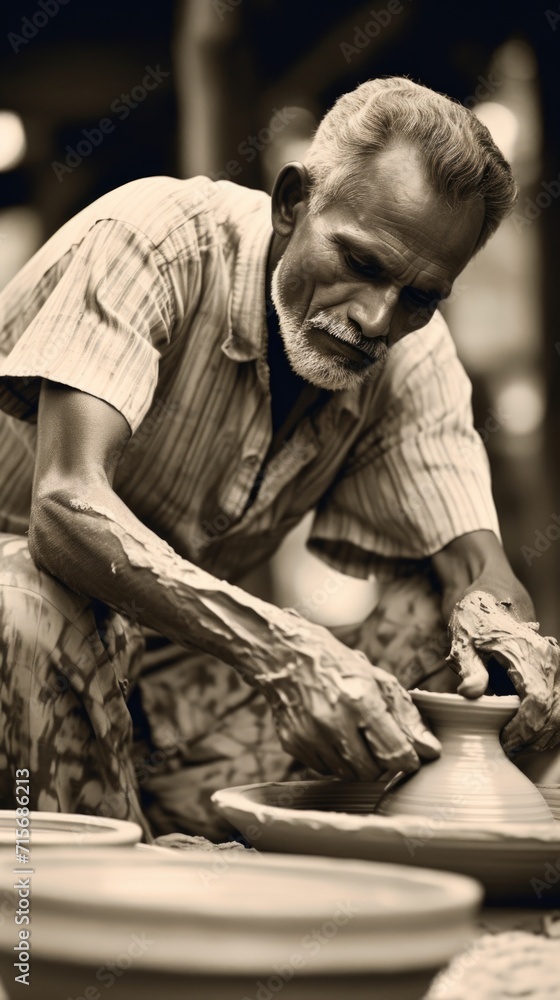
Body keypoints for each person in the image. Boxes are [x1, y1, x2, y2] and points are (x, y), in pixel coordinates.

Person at [0, 76, 558, 841]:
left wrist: (510, 637)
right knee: (26, 598)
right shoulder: (157, 238)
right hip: (26, 648)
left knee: (457, 636)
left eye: (421, 295)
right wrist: (286, 652)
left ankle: (271, 871)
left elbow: (477, 569)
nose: (376, 318)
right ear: (293, 202)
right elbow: (62, 511)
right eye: (361, 263)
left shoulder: (414, 353)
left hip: (176, 680)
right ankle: (81, 905)